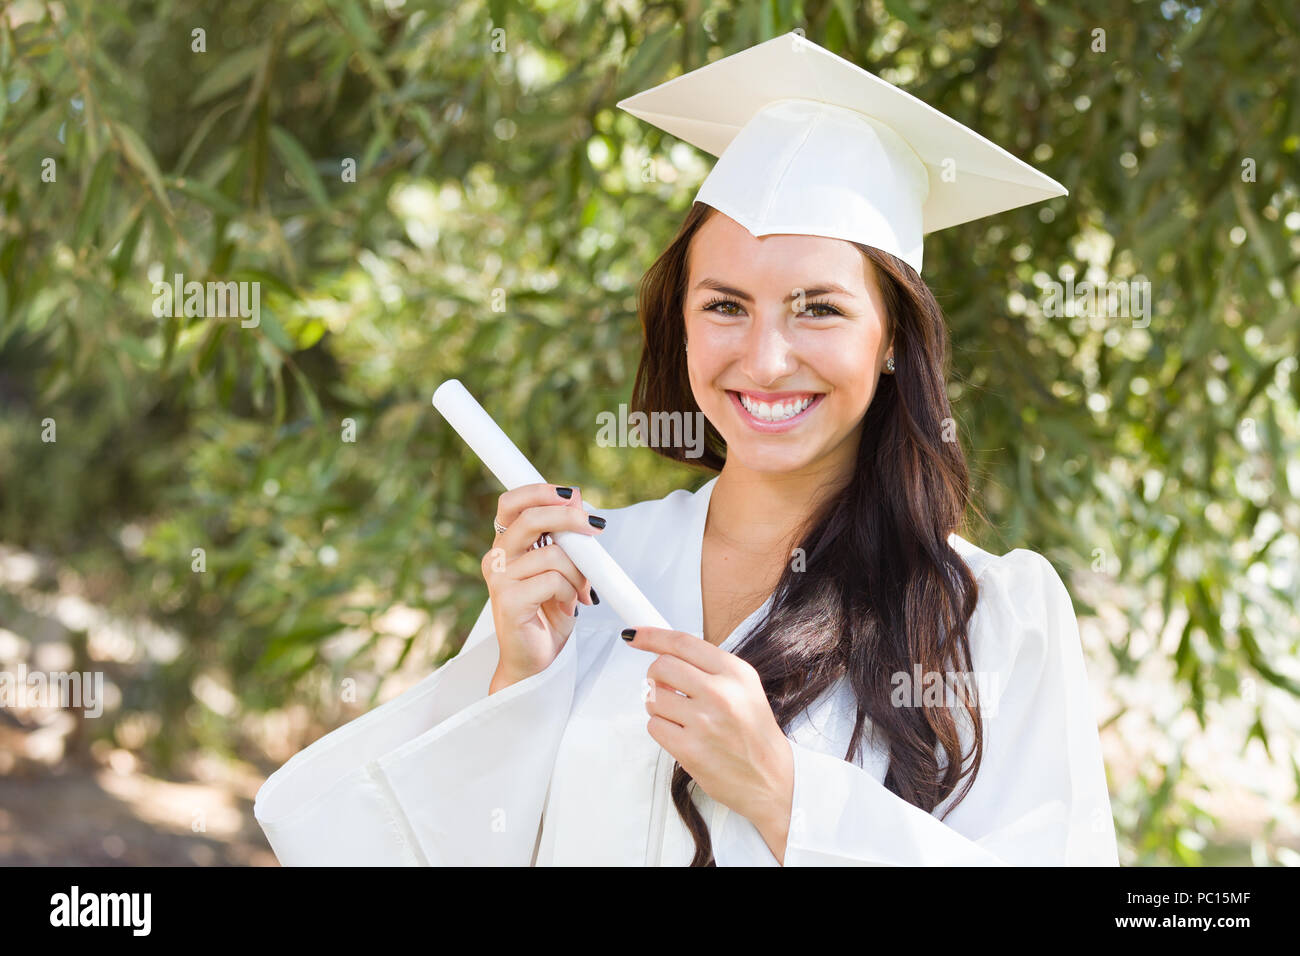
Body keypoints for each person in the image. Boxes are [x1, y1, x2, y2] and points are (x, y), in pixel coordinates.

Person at [253, 31, 1120, 866]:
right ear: (682, 319)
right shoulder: (590, 570)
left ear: (893, 337)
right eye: (725, 306)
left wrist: (783, 794)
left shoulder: (991, 622)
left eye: (819, 308)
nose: (766, 359)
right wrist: (517, 681)